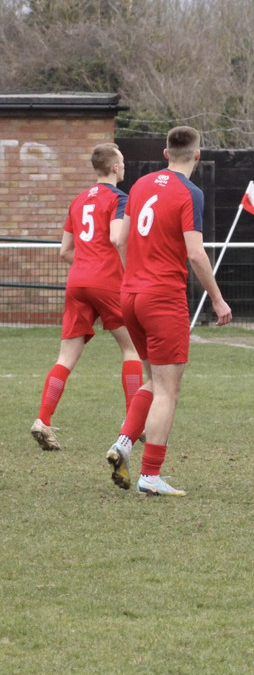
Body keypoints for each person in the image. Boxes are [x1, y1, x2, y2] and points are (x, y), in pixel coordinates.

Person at [105, 126, 232, 497]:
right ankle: (151, 475)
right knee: (168, 390)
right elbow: (195, 253)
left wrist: (134, 278)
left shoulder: (140, 185)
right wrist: (218, 299)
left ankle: (124, 444)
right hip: (163, 298)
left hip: (131, 294)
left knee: (152, 380)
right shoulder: (190, 193)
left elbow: (122, 240)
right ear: (198, 155)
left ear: (164, 153)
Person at [31, 144, 143, 451]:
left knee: (65, 358)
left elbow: (64, 251)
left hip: (77, 281)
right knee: (132, 349)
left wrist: (86, 265)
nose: (124, 165)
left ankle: (42, 420)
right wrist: (130, 271)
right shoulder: (120, 199)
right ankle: (135, 424)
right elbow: (118, 238)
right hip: (107, 281)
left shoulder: (78, 200)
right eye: (123, 161)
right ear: (115, 168)